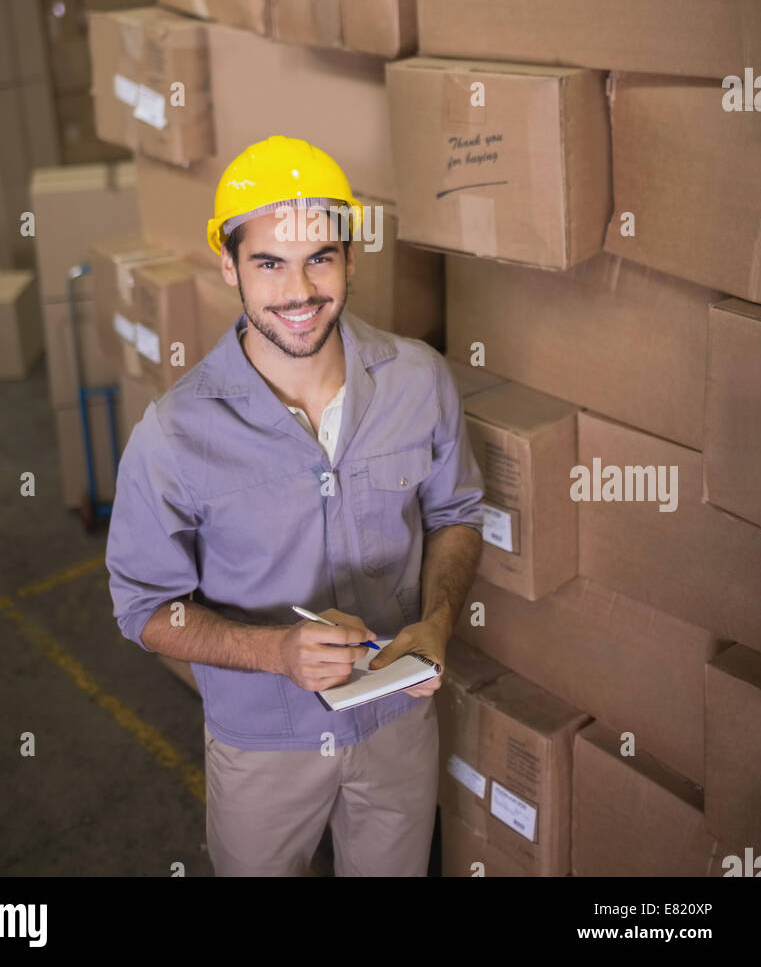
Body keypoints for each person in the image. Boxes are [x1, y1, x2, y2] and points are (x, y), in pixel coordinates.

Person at [106, 135, 485, 877]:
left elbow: (456, 515)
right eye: (269, 263)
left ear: (349, 258)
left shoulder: (418, 380)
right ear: (229, 267)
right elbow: (142, 608)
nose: (300, 291)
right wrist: (275, 652)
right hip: (262, 747)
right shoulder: (176, 433)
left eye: (320, 257)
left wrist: (438, 622)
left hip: (397, 722)